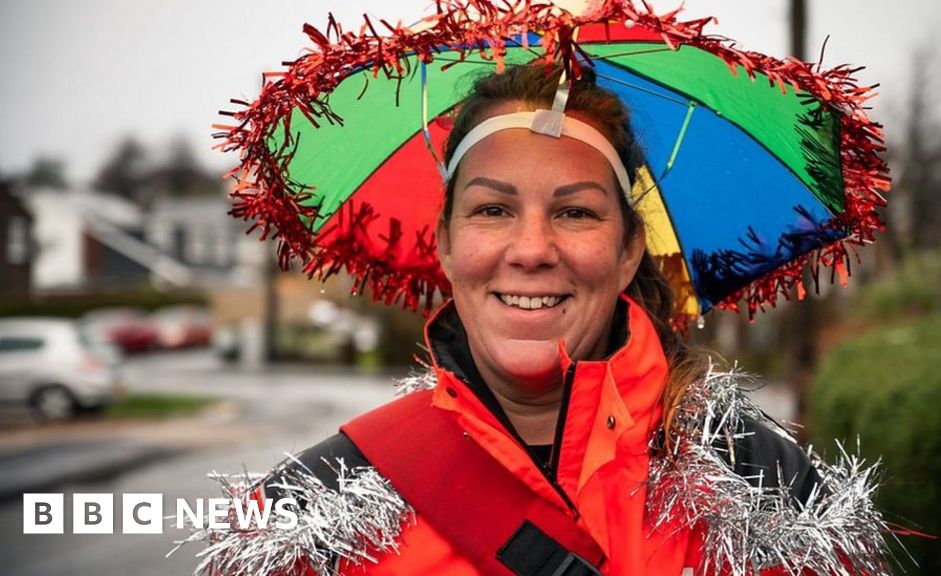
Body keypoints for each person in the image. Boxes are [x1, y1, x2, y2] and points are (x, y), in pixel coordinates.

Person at [197, 64, 888, 576]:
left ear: (625, 253)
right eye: (493, 209)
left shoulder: (774, 496)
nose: (530, 250)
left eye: (575, 212)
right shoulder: (310, 514)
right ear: (444, 243)